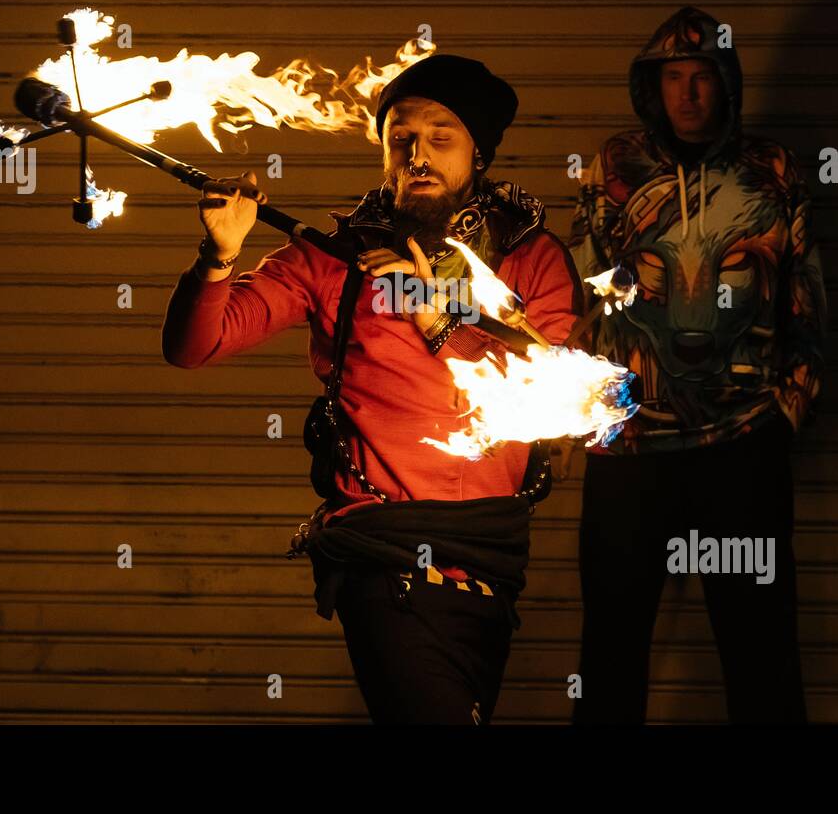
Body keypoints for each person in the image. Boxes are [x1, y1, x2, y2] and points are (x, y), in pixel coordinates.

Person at [162, 53, 582, 724]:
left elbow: (560, 396)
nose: (417, 154)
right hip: (383, 557)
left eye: (440, 137)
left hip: (489, 556)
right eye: (401, 138)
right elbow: (194, 346)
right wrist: (217, 258)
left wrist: (438, 311)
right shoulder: (334, 258)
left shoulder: (531, 260)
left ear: (480, 152)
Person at [566, 6, 827, 724]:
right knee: (611, 651)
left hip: (741, 446)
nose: (688, 94)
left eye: (702, 77)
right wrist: (588, 409)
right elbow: (576, 296)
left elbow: (806, 298)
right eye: (673, 78)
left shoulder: (771, 172)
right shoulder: (613, 169)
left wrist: (785, 410)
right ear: (653, 86)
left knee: (761, 648)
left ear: (727, 83)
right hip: (629, 450)